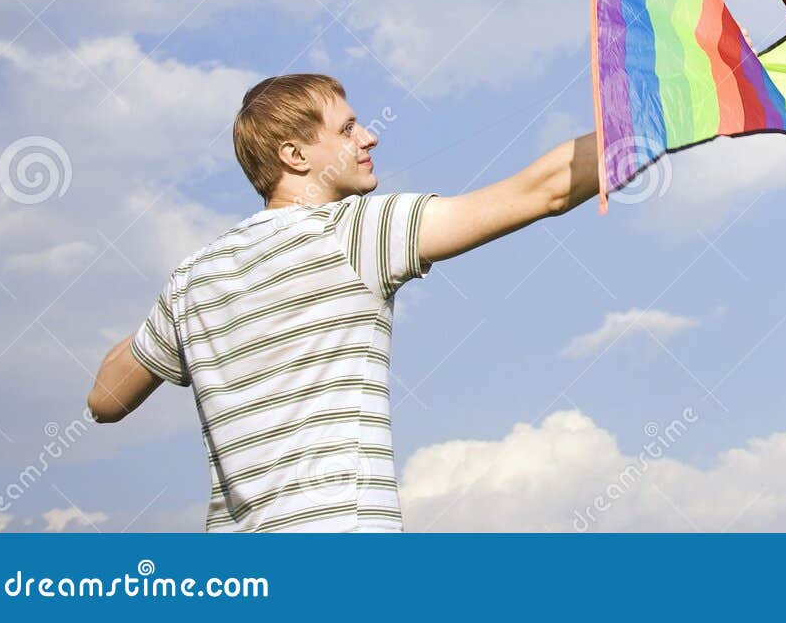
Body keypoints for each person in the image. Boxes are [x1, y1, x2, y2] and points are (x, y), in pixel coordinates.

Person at [85, 73, 598, 531]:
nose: (369, 137)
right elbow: (544, 192)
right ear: (295, 156)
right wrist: (638, 123)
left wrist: (185, 309)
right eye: (347, 129)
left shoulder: (192, 277)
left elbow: (104, 401)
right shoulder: (351, 232)